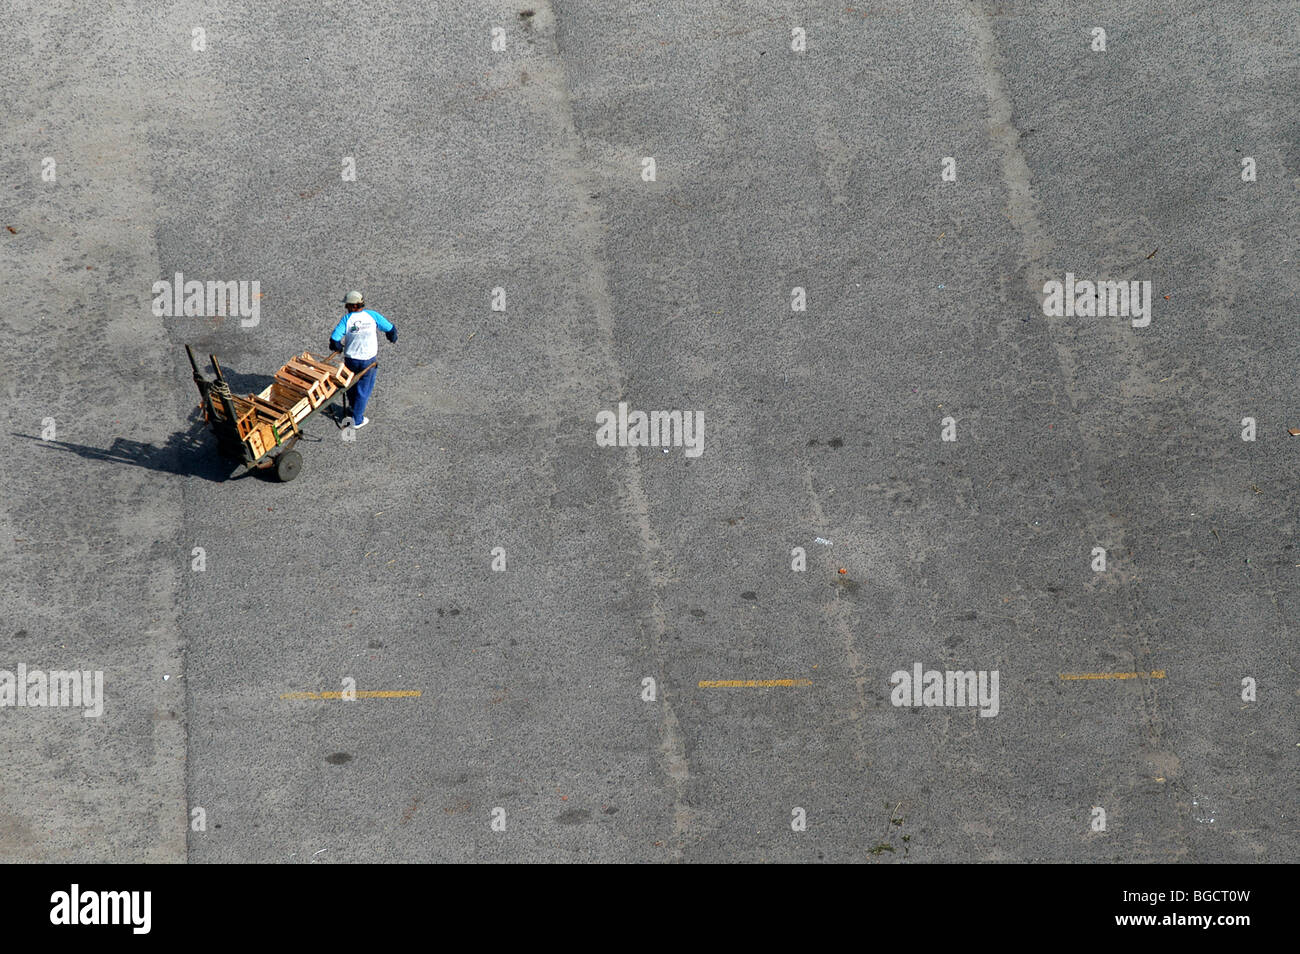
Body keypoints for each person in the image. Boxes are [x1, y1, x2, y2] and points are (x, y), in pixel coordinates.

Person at [329, 290, 396, 429]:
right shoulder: (372, 316)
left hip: (351, 360)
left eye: (347, 305)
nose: (346, 308)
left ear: (353, 306)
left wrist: (338, 347)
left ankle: (353, 409)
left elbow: (334, 339)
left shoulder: (347, 320)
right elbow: (390, 329)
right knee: (363, 390)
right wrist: (392, 337)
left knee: (350, 385)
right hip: (368, 361)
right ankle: (357, 420)